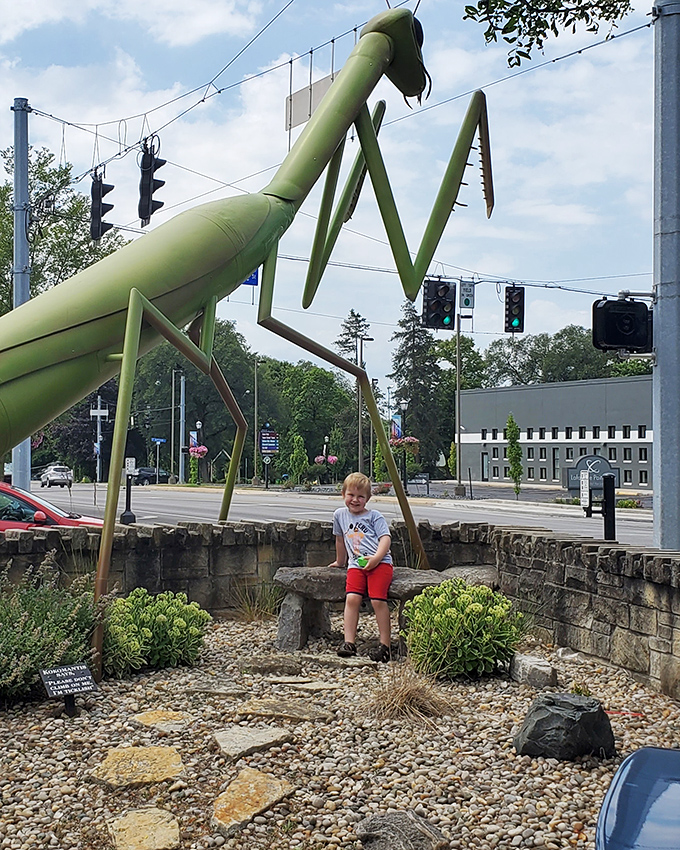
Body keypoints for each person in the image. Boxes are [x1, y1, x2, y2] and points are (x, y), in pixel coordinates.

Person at [329, 472, 393, 662]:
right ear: (343, 495)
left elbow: (385, 539)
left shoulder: (374, 516)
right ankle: (349, 642)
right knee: (352, 599)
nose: (355, 500)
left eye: (360, 496)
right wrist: (340, 561)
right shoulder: (339, 515)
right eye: (351, 495)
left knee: (377, 600)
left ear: (368, 498)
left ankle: (385, 645)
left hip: (379, 563)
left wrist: (376, 558)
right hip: (356, 564)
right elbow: (340, 540)